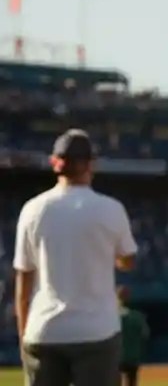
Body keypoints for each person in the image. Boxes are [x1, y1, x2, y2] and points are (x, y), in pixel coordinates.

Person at [12, 129, 137, 386]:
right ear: (91, 164)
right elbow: (127, 261)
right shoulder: (111, 209)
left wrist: (24, 334)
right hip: (96, 332)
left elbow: (23, 283)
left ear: (55, 163)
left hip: (44, 330)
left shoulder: (32, 210)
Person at [118, 286, 149, 386]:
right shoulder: (137, 317)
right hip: (132, 356)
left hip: (115, 357)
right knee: (131, 381)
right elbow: (145, 334)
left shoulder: (111, 318)